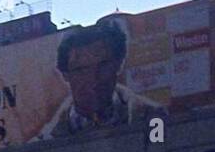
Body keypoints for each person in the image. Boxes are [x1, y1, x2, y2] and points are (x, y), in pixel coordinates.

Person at [37, 17, 165, 139]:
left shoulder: (154, 119)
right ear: (65, 75)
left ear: (119, 64)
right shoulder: (43, 142)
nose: (93, 79)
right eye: (81, 70)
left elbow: (159, 149)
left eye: (103, 66)